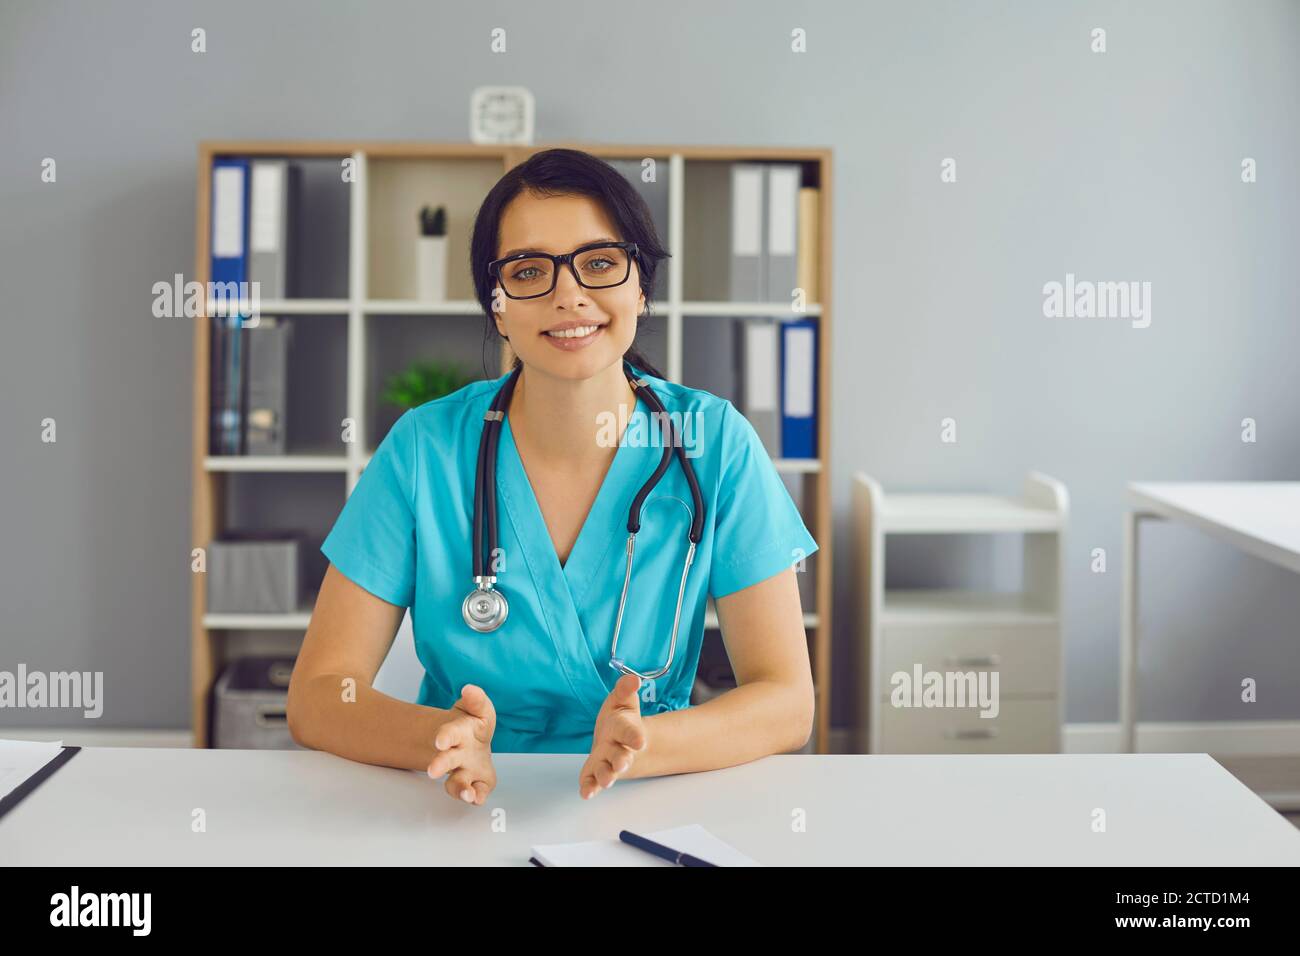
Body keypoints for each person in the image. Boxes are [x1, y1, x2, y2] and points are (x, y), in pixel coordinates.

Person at [287, 148, 818, 804]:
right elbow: (318, 696)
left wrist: (644, 746)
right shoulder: (424, 449)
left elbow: (787, 701)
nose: (569, 294)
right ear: (497, 302)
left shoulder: (715, 444)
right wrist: (441, 737)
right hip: (457, 798)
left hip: (649, 796)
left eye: (599, 263)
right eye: (530, 270)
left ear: (641, 286)